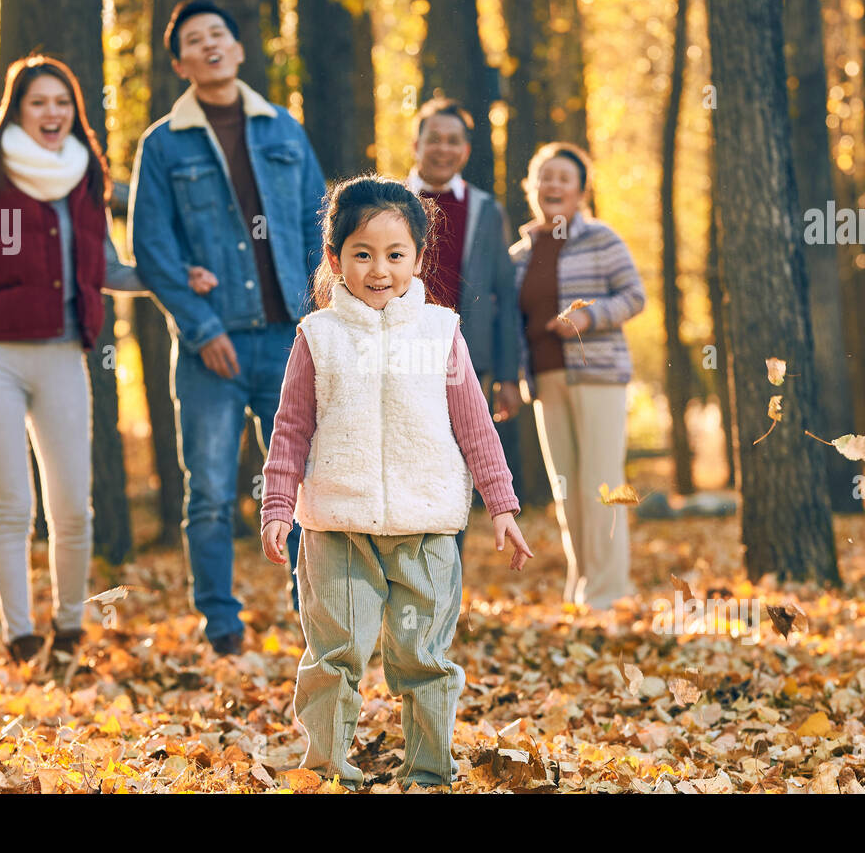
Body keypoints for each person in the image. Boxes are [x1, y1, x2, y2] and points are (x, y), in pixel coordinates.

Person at [260, 176, 533, 789]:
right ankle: (328, 768)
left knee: (424, 660)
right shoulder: (318, 338)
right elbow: (291, 430)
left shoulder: (440, 333)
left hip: (426, 529)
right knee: (334, 656)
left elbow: (476, 427)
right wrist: (278, 505)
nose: (378, 269)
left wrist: (503, 505)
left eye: (395, 254)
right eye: (362, 254)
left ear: (418, 257)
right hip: (337, 529)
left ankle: (429, 771)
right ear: (335, 259)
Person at [0, 55, 160, 664]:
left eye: (62, 102)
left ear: (74, 112)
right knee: (13, 505)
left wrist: (169, 277)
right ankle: (18, 635)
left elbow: (108, 269)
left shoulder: (88, 179)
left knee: (72, 507)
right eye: (39, 102)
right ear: (17, 110)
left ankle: (68, 630)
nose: (52, 113)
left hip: (64, 354)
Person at [128, 0, 327, 656]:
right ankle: (222, 628)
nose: (210, 45)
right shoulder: (162, 145)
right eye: (194, 40)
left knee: (301, 489)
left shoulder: (283, 132)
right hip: (208, 349)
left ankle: (312, 622)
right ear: (181, 63)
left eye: (220, 34)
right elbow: (152, 249)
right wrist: (202, 325)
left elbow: (317, 227)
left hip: (287, 341)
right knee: (210, 491)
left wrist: (314, 318)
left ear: (238, 50)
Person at [511, 142, 646, 611]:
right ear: (531, 187)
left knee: (602, 486)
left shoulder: (602, 239)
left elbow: (635, 296)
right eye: (544, 177)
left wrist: (591, 317)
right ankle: (583, 584)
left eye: (563, 179)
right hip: (547, 382)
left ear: (581, 191)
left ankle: (610, 591)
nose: (553, 186)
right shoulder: (520, 256)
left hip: (599, 377)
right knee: (567, 489)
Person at [406, 97, 522, 562]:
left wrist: (509, 376)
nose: (442, 149)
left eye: (453, 141)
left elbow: (505, 297)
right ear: (416, 143)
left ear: (466, 150)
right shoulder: (389, 200)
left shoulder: (485, 211)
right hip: (398, 358)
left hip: (463, 365)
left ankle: (442, 584)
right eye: (433, 138)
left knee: (452, 475)